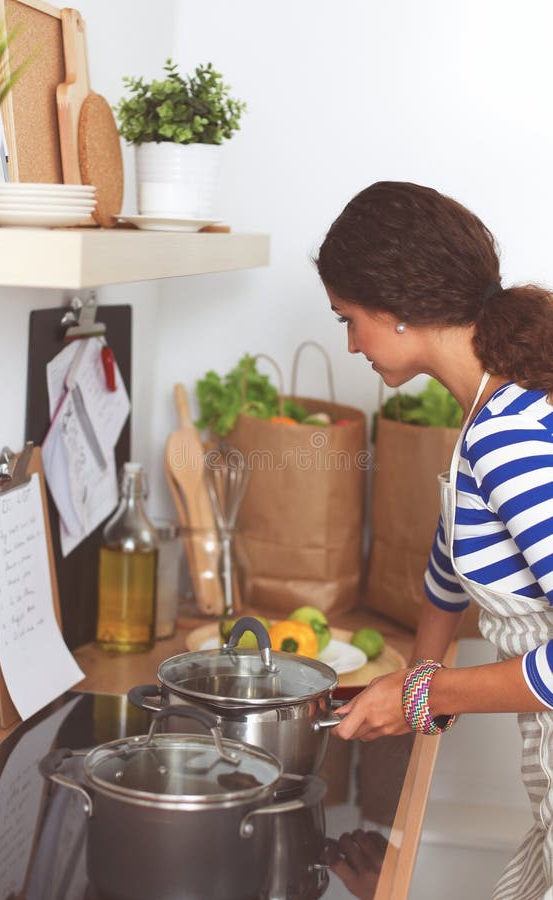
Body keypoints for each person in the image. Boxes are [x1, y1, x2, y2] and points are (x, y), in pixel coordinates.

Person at [315, 181, 553, 900]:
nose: (350, 342)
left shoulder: (505, 439)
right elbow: (454, 559)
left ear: (394, 311)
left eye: (349, 319)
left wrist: (422, 696)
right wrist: (416, 675)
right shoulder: (504, 399)